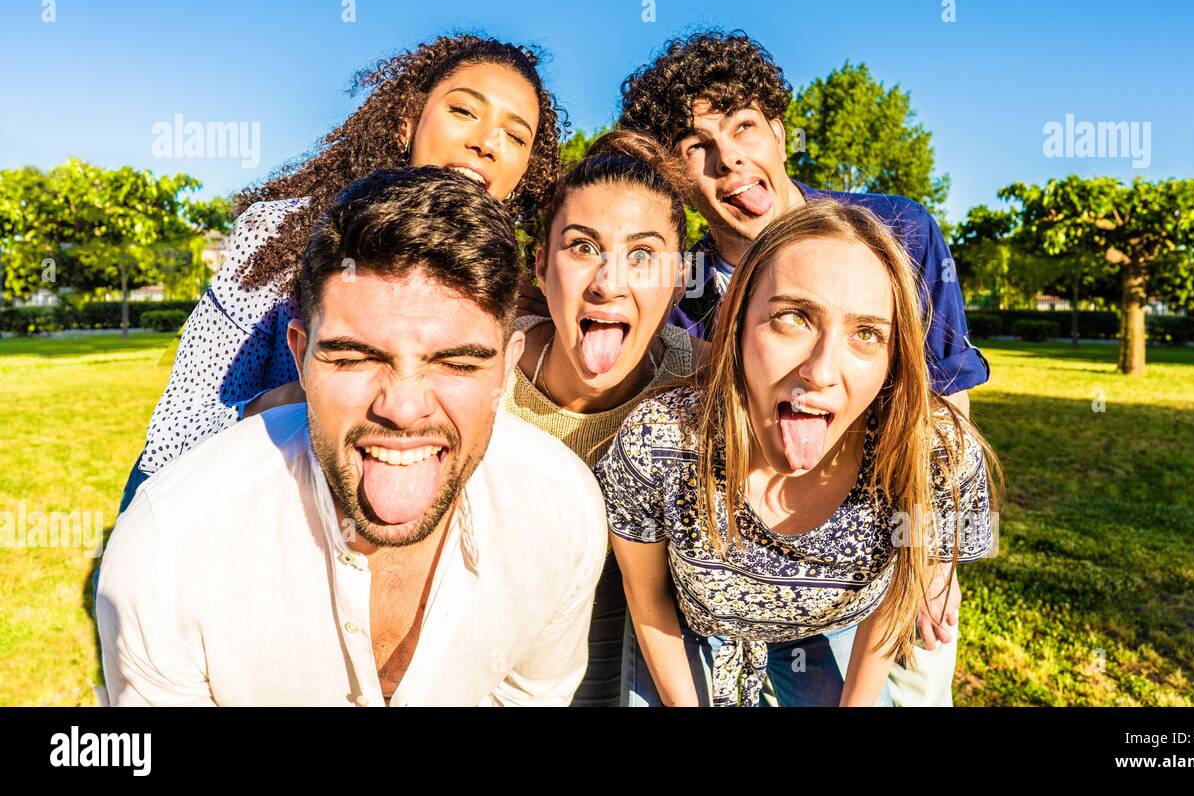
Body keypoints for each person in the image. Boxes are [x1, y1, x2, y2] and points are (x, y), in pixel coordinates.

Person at [97, 165, 607, 706]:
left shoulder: (562, 512)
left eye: (456, 362)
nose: (404, 409)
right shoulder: (167, 554)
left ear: (507, 370)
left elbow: (525, 696)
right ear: (299, 357)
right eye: (355, 357)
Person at [118, 34, 567, 513]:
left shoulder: (503, 289)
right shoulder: (280, 236)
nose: (486, 143)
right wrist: (318, 390)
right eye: (463, 111)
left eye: (516, 136)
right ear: (407, 124)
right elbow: (171, 439)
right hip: (218, 507)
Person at [596, 200, 1000, 706]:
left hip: (834, 628)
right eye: (792, 318)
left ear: (895, 355)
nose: (822, 370)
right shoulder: (657, 443)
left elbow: (894, 601)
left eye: (867, 334)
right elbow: (648, 598)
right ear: (737, 322)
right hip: (693, 628)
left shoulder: (932, 455)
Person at [618, 29, 987, 421]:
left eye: (743, 126)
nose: (727, 158)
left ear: (778, 136)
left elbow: (946, 407)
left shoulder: (902, 232)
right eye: (696, 145)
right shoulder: (675, 295)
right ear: (677, 177)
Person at [502, 129, 704, 706]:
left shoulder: (703, 382)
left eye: (642, 255)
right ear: (540, 267)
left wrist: (928, 555)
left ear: (676, 278)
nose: (608, 282)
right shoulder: (484, 370)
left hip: (631, 655)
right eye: (583, 247)